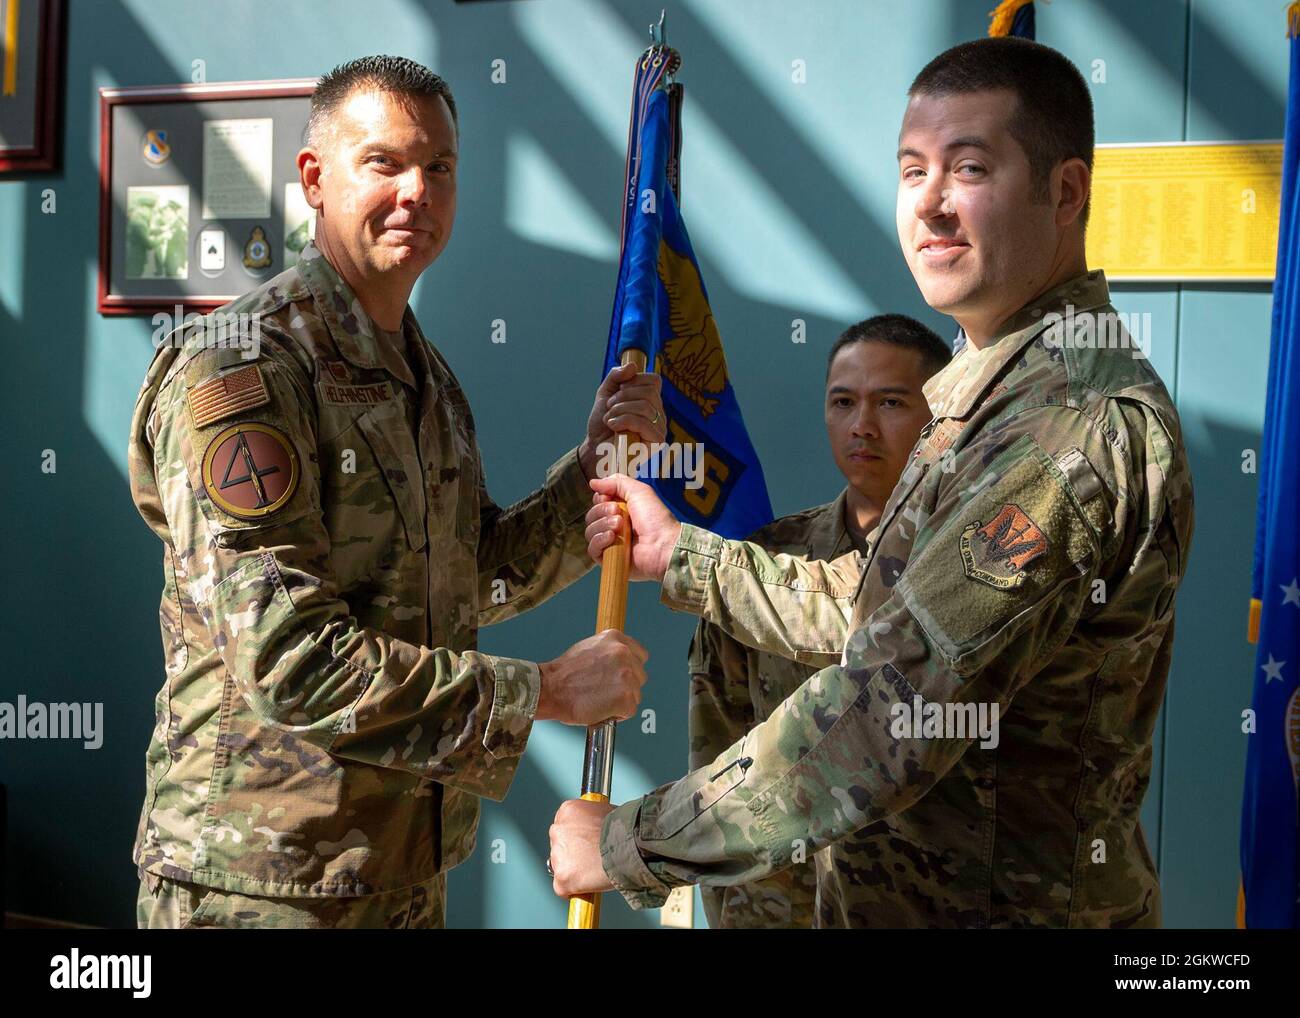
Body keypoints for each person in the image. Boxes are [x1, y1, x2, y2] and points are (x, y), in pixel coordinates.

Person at [549, 37, 1195, 929]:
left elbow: (890, 712)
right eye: (910, 169)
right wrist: (681, 554)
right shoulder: (993, 393)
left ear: (1066, 191)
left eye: (969, 168)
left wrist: (631, 844)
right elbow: (881, 606)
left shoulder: (1064, 426)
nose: (929, 205)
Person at [129, 55, 665, 929]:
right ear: (314, 178)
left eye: (440, 167)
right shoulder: (244, 367)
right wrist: (544, 693)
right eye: (384, 163)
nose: (417, 190)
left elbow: (476, 575)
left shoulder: (424, 375)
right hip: (260, 882)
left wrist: (590, 476)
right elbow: (289, 657)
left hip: (401, 863)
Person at [689, 314, 948, 928]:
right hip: (780, 906)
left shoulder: (963, 557)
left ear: (939, 417)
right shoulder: (766, 559)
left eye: (890, 402)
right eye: (842, 402)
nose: (862, 425)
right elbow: (718, 739)